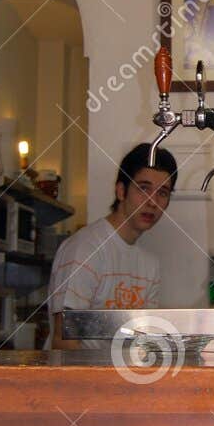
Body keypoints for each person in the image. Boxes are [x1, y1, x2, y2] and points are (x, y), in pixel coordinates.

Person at [48, 142, 177, 345]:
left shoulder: (150, 264)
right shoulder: (85, 248)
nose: (152, 202)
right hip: (81, 375)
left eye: (162, 193)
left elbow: (143, 339)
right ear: (121, 191)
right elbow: (64, 339)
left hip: (125, 374)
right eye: (143, 189)